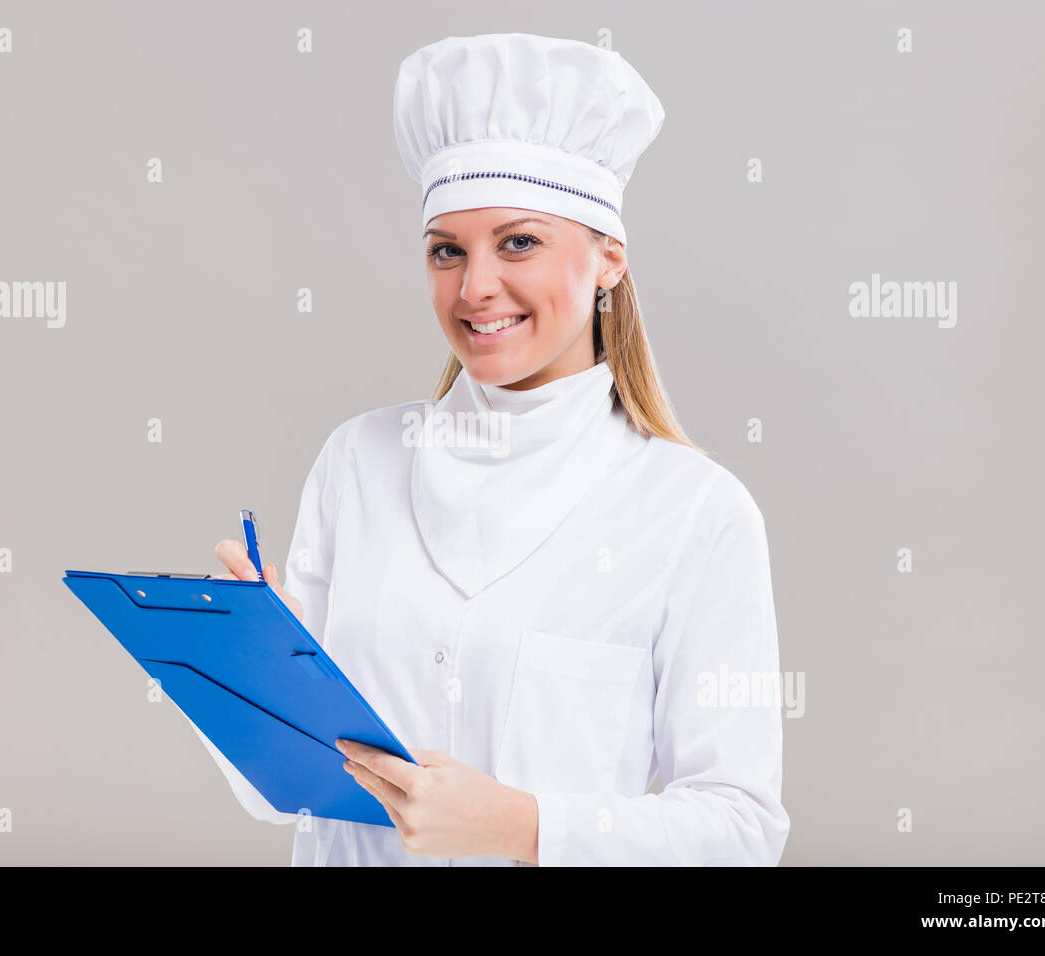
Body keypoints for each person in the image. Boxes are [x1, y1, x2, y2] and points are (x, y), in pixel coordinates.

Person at [189, 32, 790, 866]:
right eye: (447, 250)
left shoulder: (696, 512)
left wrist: (523, 827)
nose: (475, 288)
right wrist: (251, 661)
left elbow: (741, 829)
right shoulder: (358, 463)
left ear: (609, 258)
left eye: (519, 242)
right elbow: (276, 792)